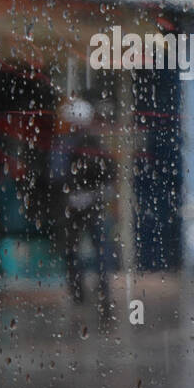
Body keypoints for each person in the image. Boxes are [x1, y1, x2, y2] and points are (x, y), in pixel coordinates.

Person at [50, 97, 115, 318]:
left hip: (88, 203)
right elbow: (56, 175)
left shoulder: (86, 143)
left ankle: (96, 292)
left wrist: (91, 194)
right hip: (76, 203)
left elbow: (106, 172)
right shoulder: (66, 143)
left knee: (95, 248)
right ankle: (82, 292)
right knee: (78, 249)